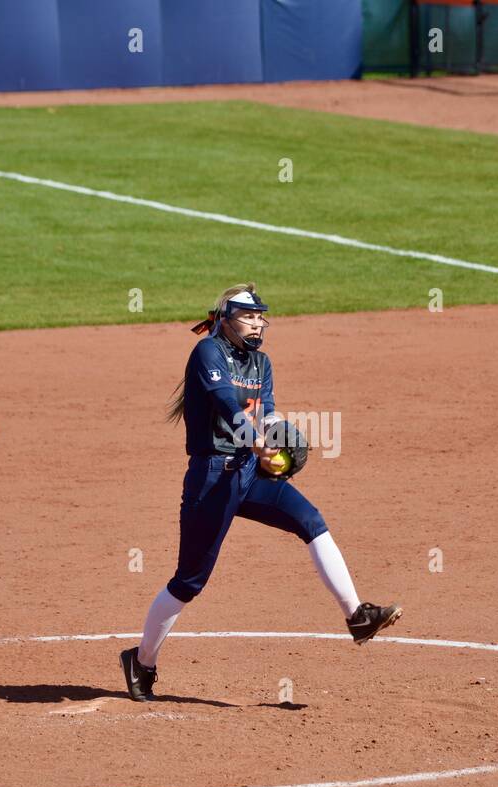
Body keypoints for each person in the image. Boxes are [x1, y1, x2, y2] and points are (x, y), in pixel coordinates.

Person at [120, 283, 403, 702]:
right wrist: (255, 443)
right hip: (212, 477)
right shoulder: (207, 354)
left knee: (310, 520)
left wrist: (274, 452)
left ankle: (357, 615)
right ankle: (141, 661)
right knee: (189, 581)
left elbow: (266, 414)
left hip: (249, 472)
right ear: (227, 319)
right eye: (249, 316)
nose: (257, 323)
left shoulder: (261, 363)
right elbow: (226, 407)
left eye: (260, 317)